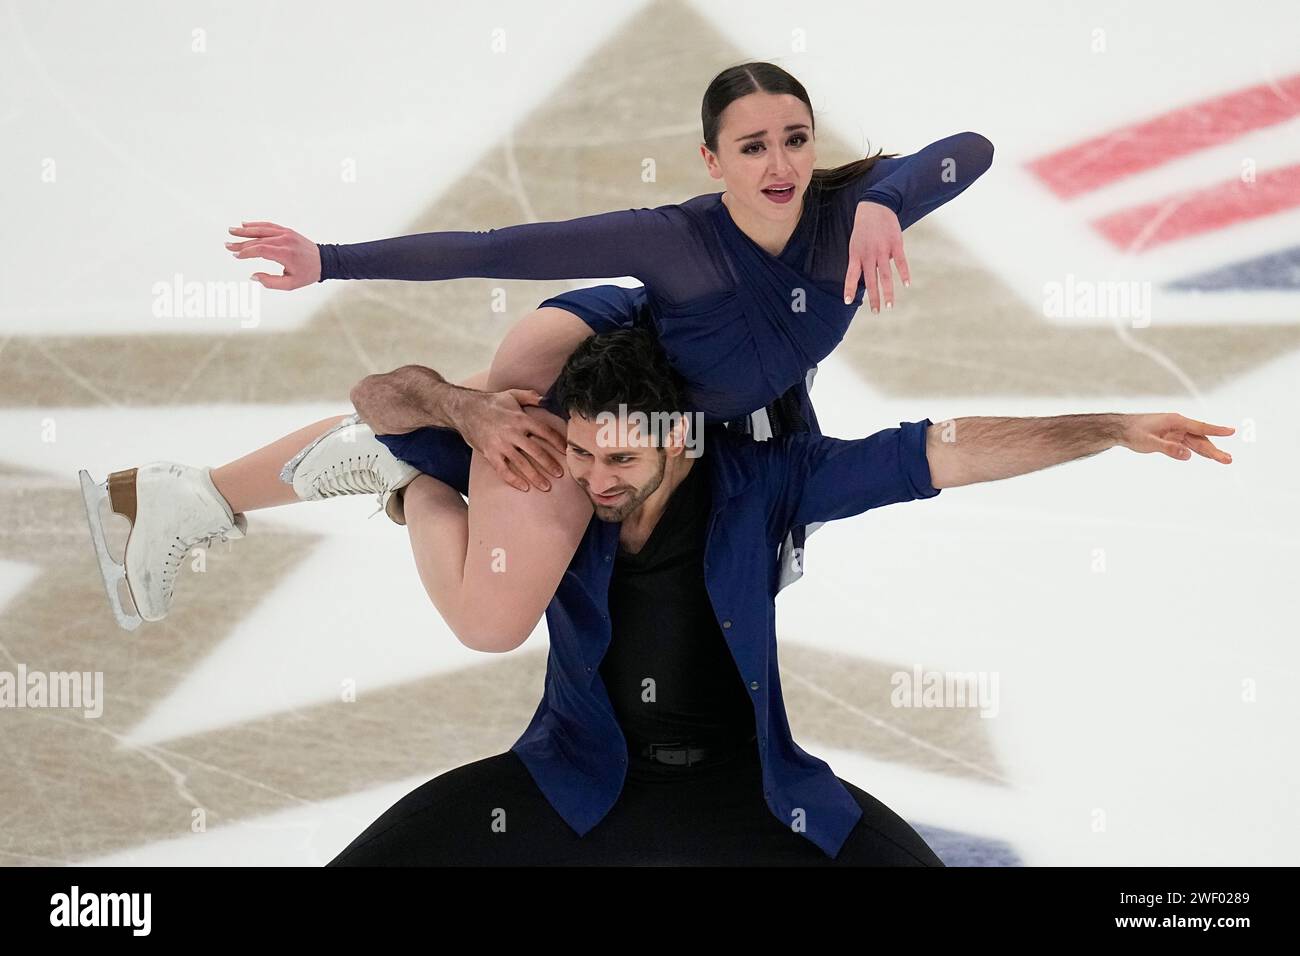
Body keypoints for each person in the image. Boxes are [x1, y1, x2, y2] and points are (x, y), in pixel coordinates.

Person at [79, 61, 995, 632]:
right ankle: (423, 479)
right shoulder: (675, 239)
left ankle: (176, 495)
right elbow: (495, 251)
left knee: (417, 425)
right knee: (491, 618)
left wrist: (884, 198)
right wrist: (328, 259)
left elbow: (970, 148)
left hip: (676, 407)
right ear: (712, 162)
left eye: (795, 139)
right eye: (751, 147)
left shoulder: (845, 218)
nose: (781, 165)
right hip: (592, 372)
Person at [326, 326, 1234, 865]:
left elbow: (942, 450)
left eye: (622, 460)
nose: (595, 481)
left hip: (751, 792)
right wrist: (460, 407)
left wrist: (1110, 426)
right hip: (573, 778)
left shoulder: (766, 482)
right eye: (584, 452)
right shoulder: (548, 473)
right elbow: (377, 397)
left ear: (680, 440)